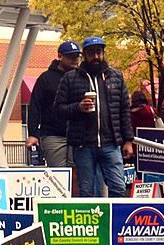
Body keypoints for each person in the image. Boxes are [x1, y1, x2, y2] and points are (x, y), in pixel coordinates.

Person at [54, 36, 131, 198]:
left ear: (103, 53)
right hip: (83, 145)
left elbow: (124, 110)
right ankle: (94, 223)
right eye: (91, 53)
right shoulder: (70, 78)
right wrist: (78, 107)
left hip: (111, 143)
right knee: (87, 191)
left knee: (118, 187)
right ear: (84, 55)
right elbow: (58, 109)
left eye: (99, 52)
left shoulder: (116, 77)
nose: (96, 57)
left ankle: (117, 223)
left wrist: (128, 140)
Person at [26, 40, 81, 169]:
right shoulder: (45, 78)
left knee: (79, 175)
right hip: (53, 135)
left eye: (77, 56)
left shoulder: (81, 78)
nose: (74, 59)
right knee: (58, 175)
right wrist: (33, 134)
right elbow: (35, 106)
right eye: (70, 56)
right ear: (60, 56)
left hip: (78, 134)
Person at [127, 89, 160, 171]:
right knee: (152, 174)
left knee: (139, 174)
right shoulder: (152, 111)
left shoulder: (129, 114)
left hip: (136, 149)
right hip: (152, 149)